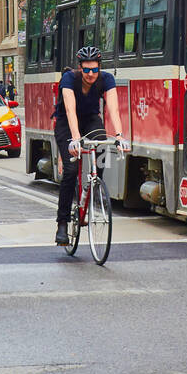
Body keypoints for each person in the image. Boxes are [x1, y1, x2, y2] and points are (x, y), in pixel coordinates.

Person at [52, 45, 127, 246]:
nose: (91, 74)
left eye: (94, 69)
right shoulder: (69, 79)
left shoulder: (107, 79)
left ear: (99, 67)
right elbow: (69, 109)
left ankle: (94, 188)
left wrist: (120, 136)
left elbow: (113, 108)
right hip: (67, 124)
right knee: (69, 171)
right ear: (80, 68)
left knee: (103, 146)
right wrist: (75, 139)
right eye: (86, 70)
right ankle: (62, 223)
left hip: (91, 119)